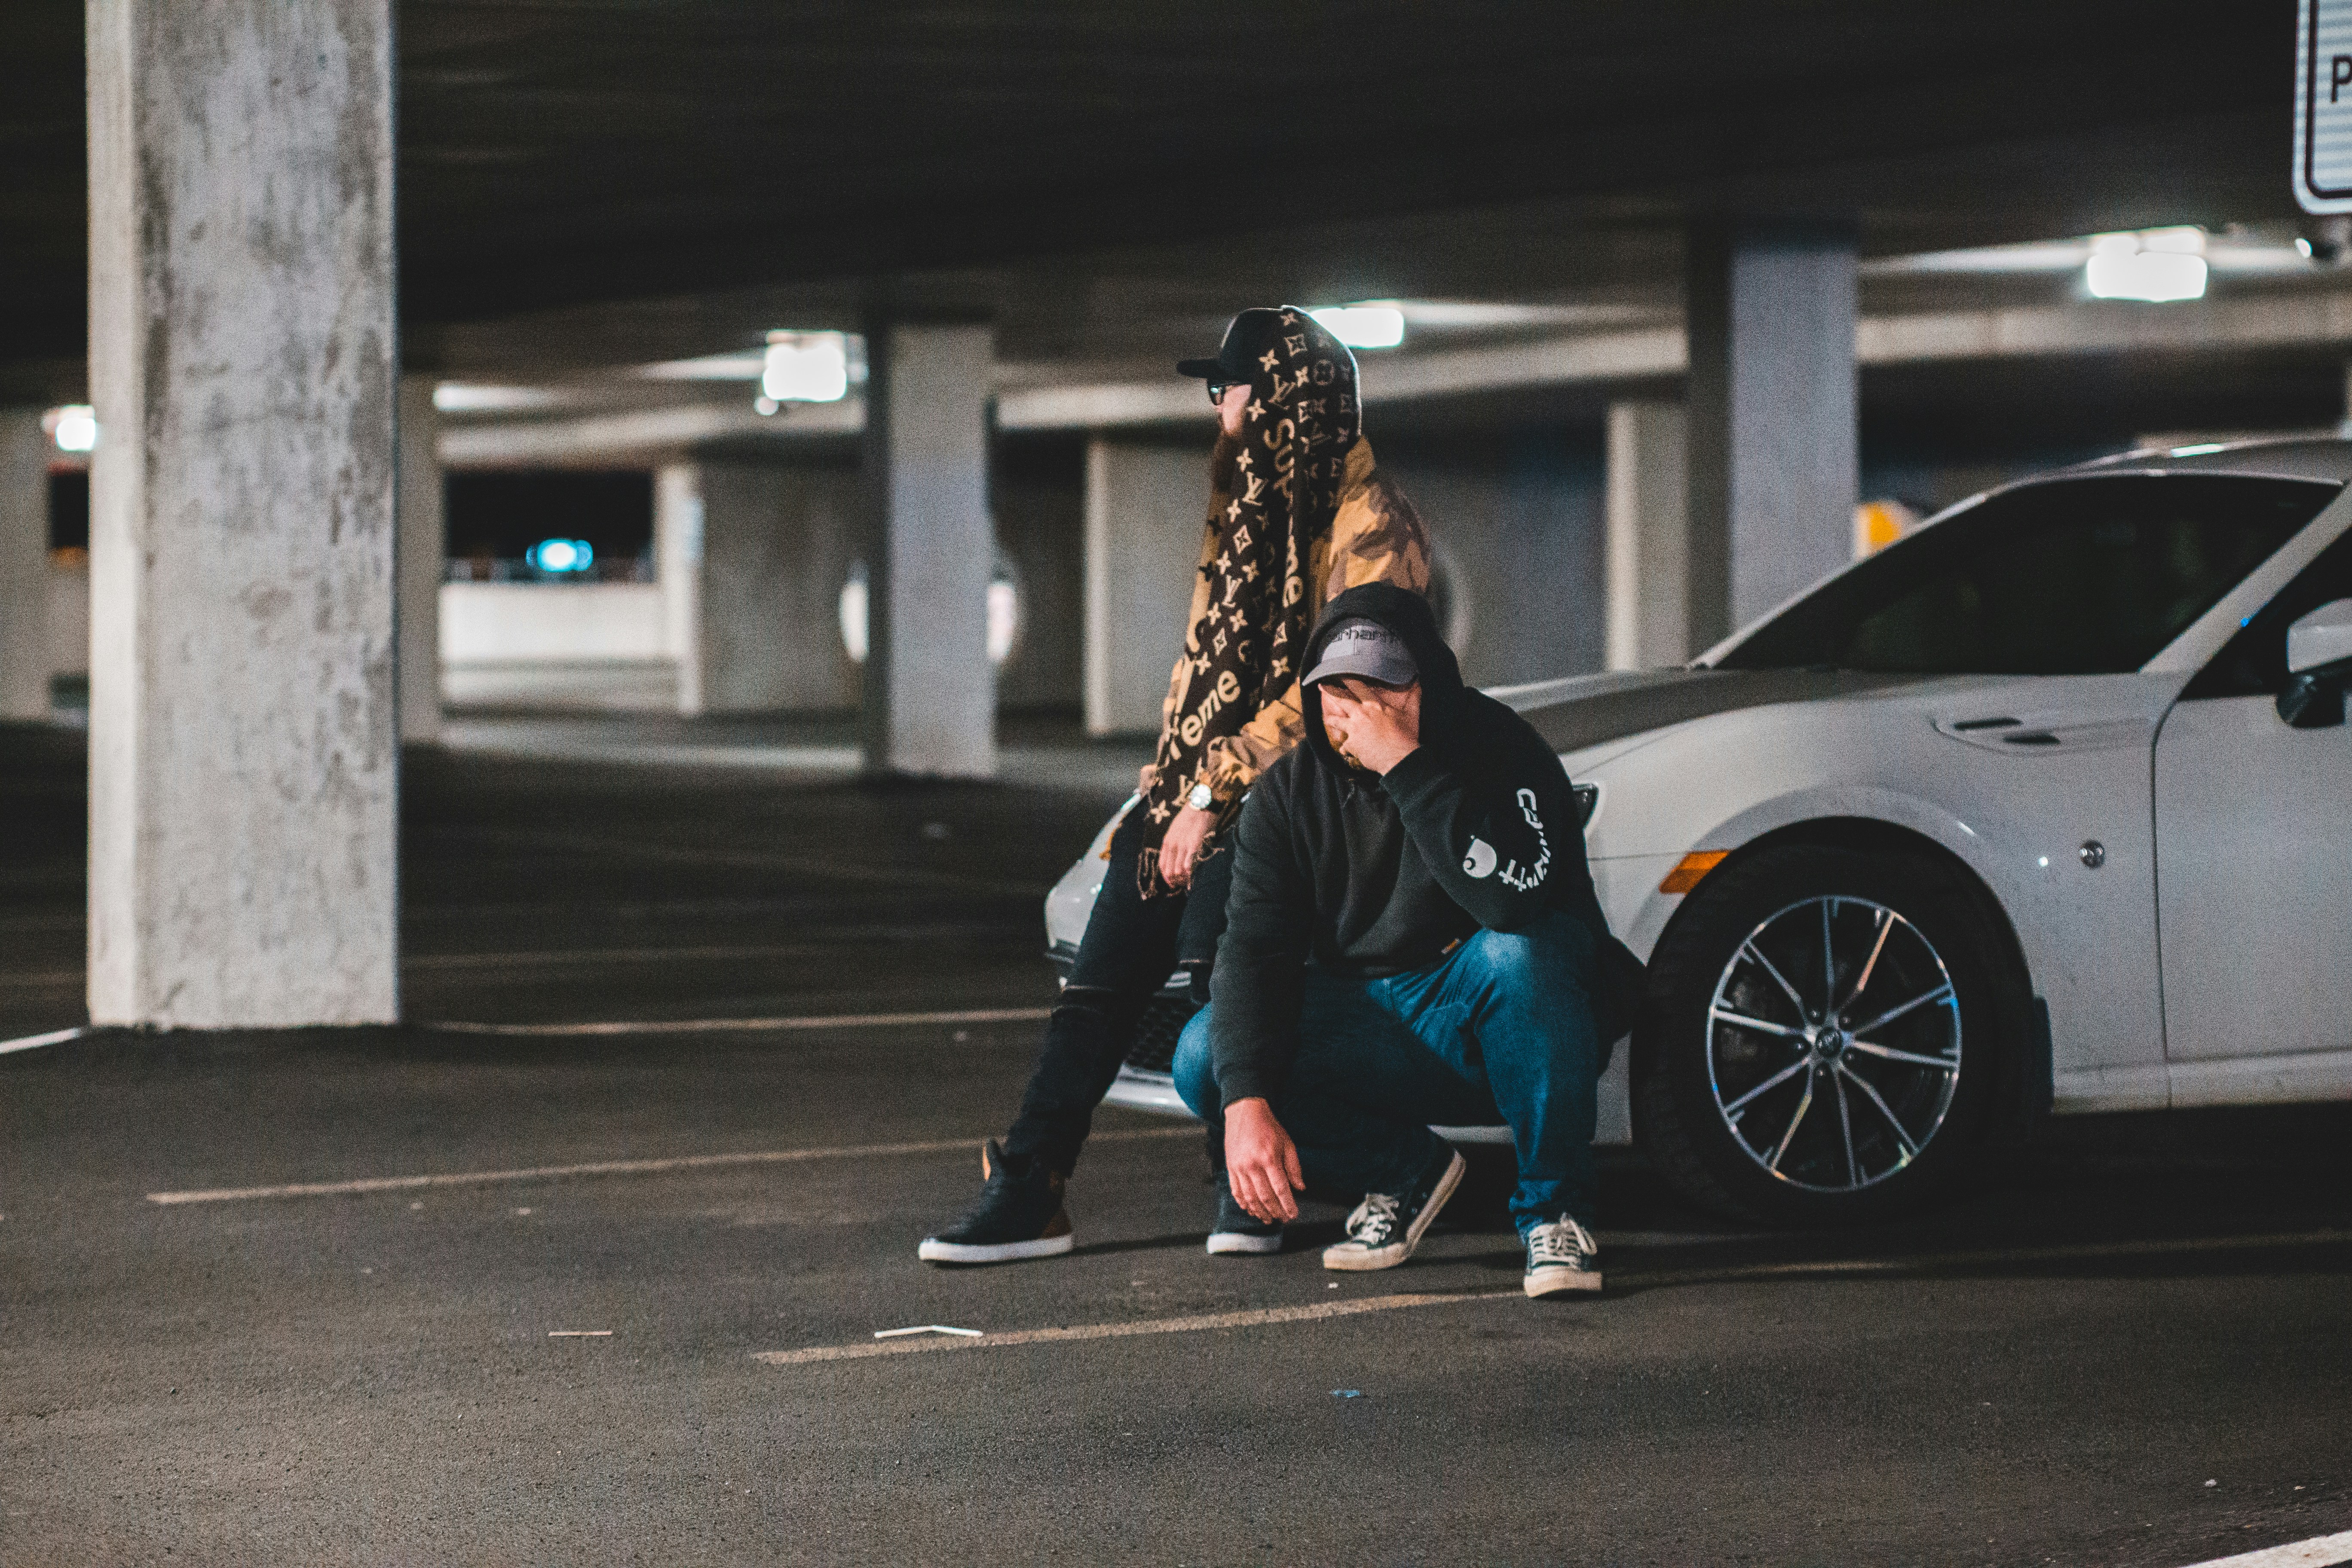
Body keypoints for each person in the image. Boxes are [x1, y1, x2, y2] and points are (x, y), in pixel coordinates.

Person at [920, 307, 1435, 1265]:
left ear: (1280, 399)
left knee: (1219, 965)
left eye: (1228, 390)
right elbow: (1202, 673)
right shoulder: (1245, 510)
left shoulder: (1374, 525)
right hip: (1208, 786)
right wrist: (1163, 790)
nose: (1219, 411)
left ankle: (1250, 1181)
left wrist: (1213, 797)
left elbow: (1344, 693)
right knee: (1101, 977)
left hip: (1317, 796)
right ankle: (1032, 1187)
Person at [1169, 582, 1645, 1298]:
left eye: (1386, 691)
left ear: (1431, 682)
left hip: (1491, 1026)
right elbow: (1254, 953)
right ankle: (1402, 1173)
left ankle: (1556, 1213)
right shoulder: (1289, 793)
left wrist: (1408, 770)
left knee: (1525, 952)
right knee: (1208, 1056)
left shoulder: (1502, 751)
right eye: (1339, 695)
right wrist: (1244, 1102)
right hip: (1369, 1027)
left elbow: (1511, 904)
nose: (1361, 716)